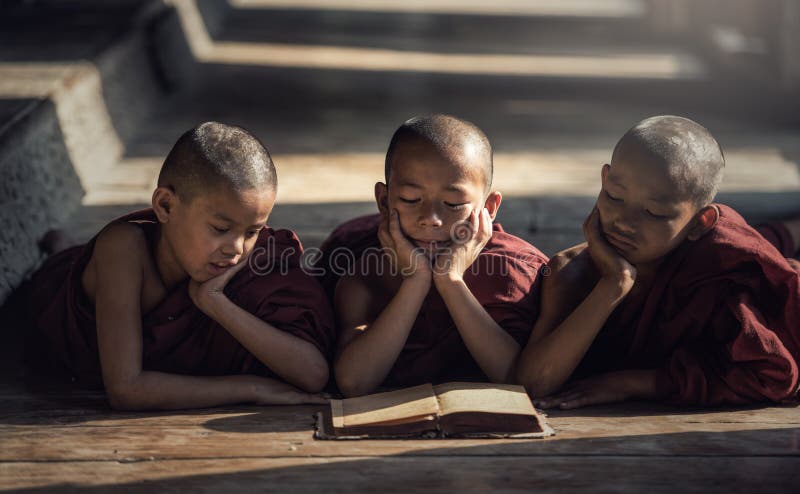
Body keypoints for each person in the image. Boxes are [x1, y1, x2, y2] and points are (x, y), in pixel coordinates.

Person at [25, 122, 335, 410]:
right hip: (56, 289)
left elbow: (312, 374)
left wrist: (214, 303)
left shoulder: (247, 259)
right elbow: (125, 388)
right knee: (69, 262)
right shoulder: (123, 251)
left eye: (252, 232)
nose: (237, 248)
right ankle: (62, 251)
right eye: (220, 228)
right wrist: (251, 388)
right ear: (165, 206)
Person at [517, 115, 800, 408]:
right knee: (770, 237)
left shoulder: (724, 266)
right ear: (604, 180)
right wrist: (614, 284)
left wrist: (635, 383)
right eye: (614, 196)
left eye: (655, 213)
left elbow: (773, 374)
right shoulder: (572, 273)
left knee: (765, 243)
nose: (624, 222)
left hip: (703, 248)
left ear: (700, 223)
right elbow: (534, 383)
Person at [317, 114, 548, 397]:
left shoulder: (512, 270)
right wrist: (416, 282)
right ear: (383, 200)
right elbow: (354, 381)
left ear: (489, 207)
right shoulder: (365, 266)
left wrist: (451, 281)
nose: (431, 219)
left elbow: (518, 378)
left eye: (453, 204)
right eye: (410, 200)